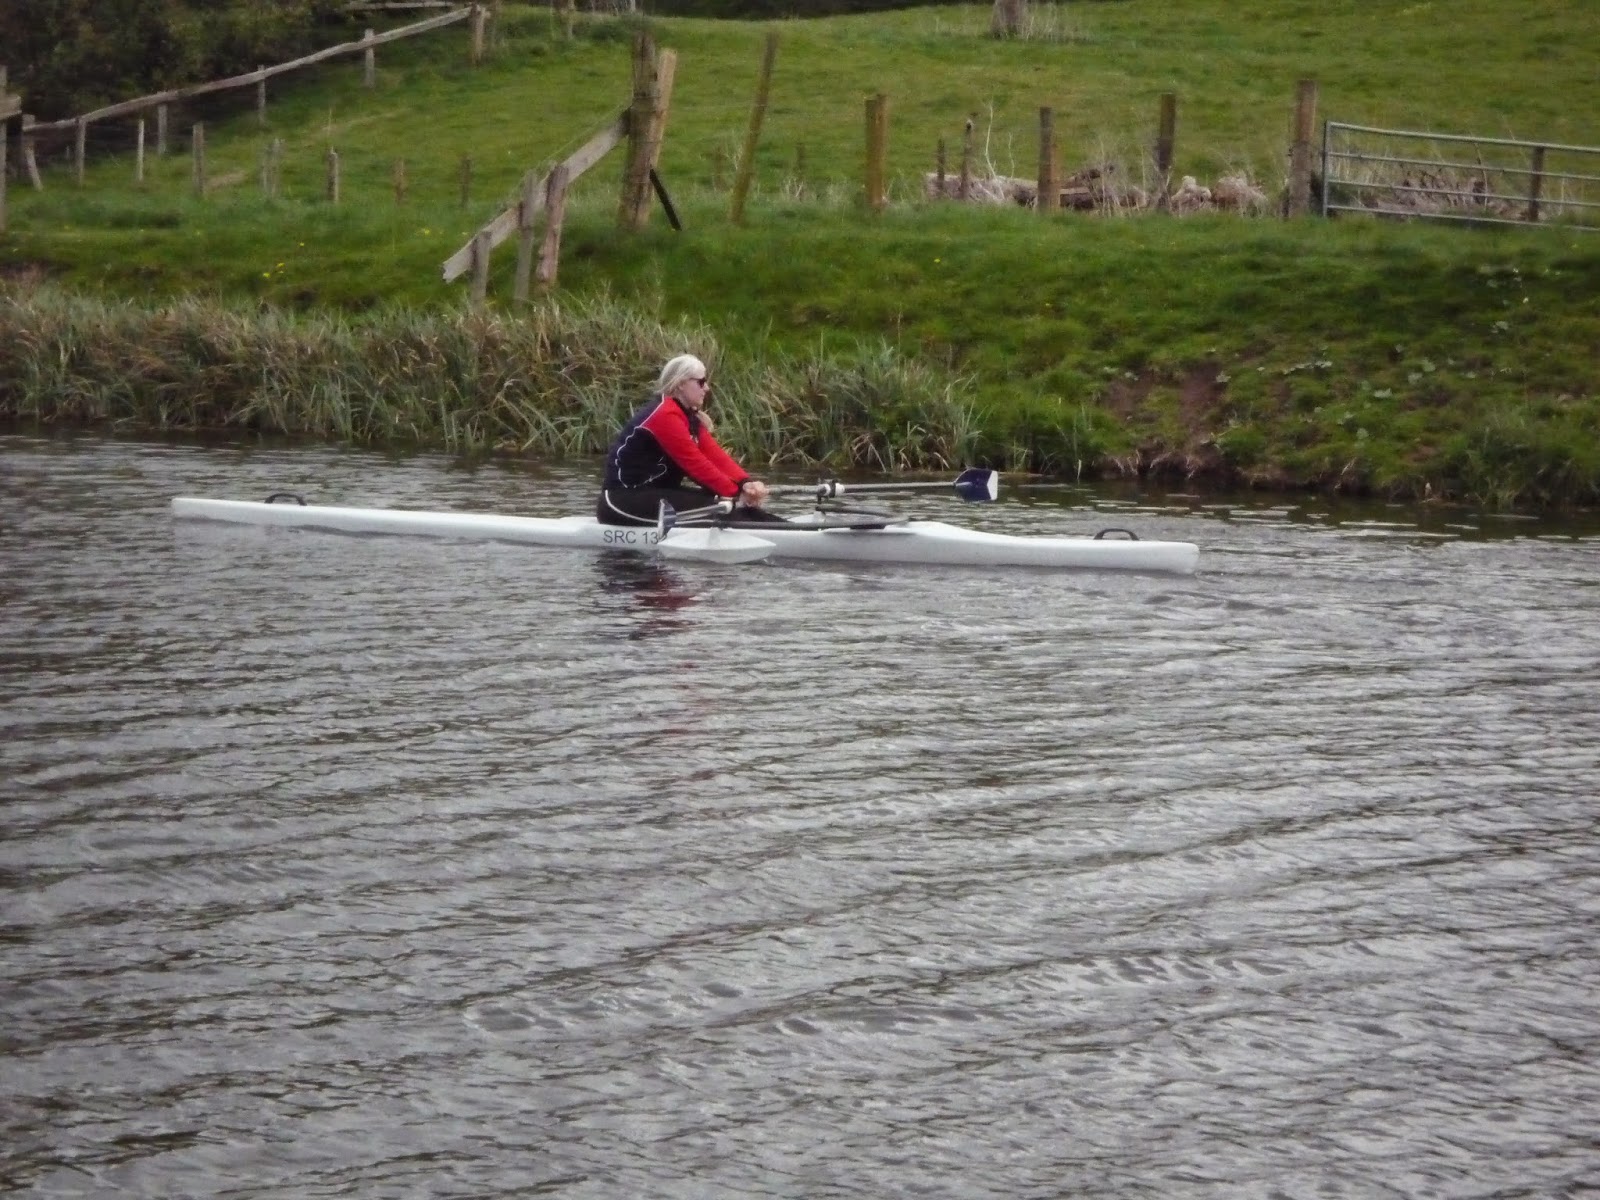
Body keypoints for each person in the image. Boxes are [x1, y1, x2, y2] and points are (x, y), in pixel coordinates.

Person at [596, 354, 784, 526]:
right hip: (623, 501)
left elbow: (716, 457)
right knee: (726, 508)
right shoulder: (663, 415)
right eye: (701, 382)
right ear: (680, 384)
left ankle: (788, 529)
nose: (707, 388)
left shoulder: (687, 418)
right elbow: (695, 464)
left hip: (656, 494)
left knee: (737, 507)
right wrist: (736, 494)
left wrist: (746, 483)